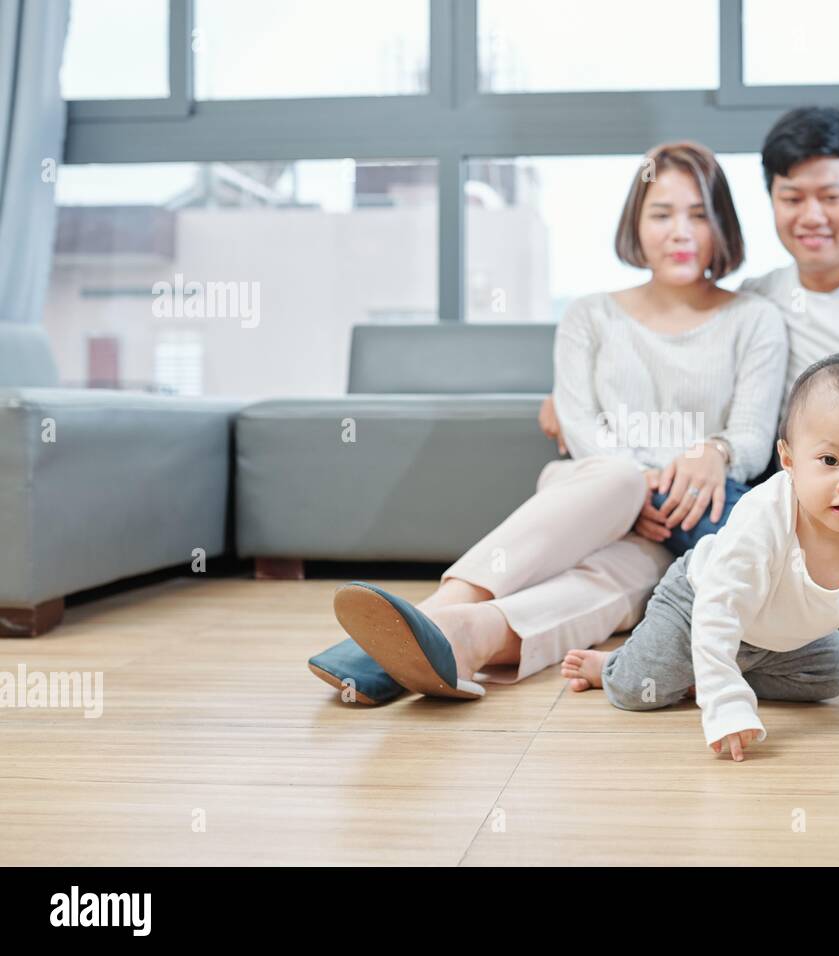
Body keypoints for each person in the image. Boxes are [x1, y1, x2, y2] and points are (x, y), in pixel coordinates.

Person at [540, 107, 839, 666]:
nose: (812, 216)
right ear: (771, 200)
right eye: (792, 197)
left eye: (830, 196)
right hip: (801, 517)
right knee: (699, 503)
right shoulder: (756, 301)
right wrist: (569, 398)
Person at [306, 141, 789, 704]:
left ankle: (465, 639)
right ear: (636, 223)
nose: (680, 231)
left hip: (673, 524)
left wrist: (715, 452)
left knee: (635, 575)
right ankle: (438, 612)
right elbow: (581, 428)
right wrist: (644, 486)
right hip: (591, 493)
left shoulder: (756, 320)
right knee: (619, 477)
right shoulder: (589, 315)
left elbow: (754, 438)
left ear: (723, 225)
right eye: (661, 214)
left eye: (699, 214)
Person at [561, 353, 839, 762]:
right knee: (635, 690)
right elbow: (720, 609)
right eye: (829, 461)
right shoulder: (764, 516)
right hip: (701, 602)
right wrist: (727, 703)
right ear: (788, 459)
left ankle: (717, 666)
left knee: (832, 675)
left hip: (777, 636)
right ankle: (614, 665)